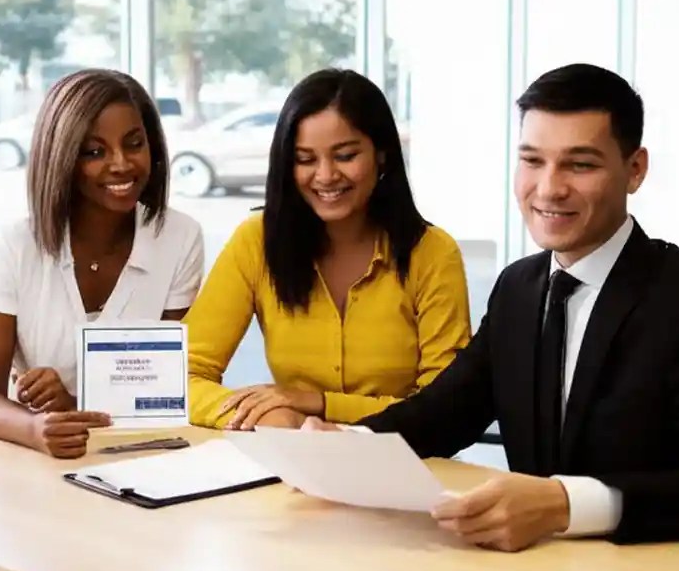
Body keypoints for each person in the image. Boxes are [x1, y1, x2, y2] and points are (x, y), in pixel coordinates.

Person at [306, 63, 679, 550]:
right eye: (532, 161)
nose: (549, 188)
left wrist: (563, 504)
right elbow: (443, 412)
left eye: (581, 164)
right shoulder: (519, 288)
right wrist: (350, 444)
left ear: (634, 169)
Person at [185, 69, 472, 430]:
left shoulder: (432, 253)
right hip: (293, 462)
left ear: (382, 154)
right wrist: (272, 416)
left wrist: (319, 405)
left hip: (404, 462)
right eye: (305, 159)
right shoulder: (255, 242)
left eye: (345, 155)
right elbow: (184, 375)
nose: (325, 176)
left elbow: (443, 405)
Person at [0, 69, 204, 459]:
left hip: (139, 456)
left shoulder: (179, 236)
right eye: (94, 152)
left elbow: (171, 388)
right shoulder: (9, 246)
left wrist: (72, 402)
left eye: (134, 144)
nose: (121, 164)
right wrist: (34, 428)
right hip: (30, 463)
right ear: (62, 157)